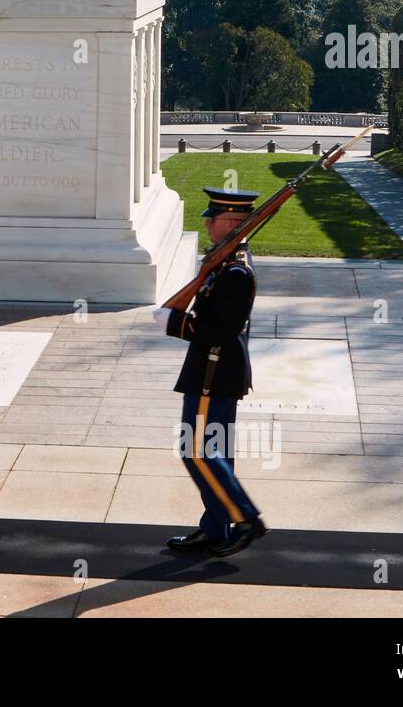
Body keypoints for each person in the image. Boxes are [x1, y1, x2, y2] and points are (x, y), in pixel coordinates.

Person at [152, 187, 266, 557]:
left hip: (213, 374)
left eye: (211, 218)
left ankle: (245, 519)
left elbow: (219, 330)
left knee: (197, 450)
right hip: (213, 371)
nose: (205, 222)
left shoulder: (235, 271)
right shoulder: (225, 261)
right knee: (213, 450)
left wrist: (175, 323)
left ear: (231, 223)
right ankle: (216, 528)